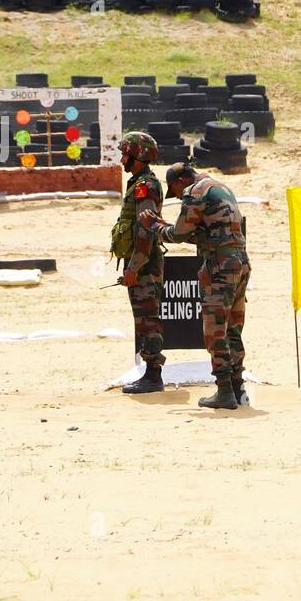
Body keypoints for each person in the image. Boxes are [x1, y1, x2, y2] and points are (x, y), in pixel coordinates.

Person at [143, 158, 250, 409]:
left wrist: (156, 227)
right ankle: (237, 385)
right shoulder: (218, 187)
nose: (179, 198)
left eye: (176, 192)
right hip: (240, 263)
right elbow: (208, 232)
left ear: (181, 181)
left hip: (219, 267)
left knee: (215, 329)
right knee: (233, 326)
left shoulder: (195, 192)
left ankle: (224, 391)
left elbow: (179, 234)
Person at [111, 131, 166, 394]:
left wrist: (134, 267)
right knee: (143, 317)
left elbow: (146, 229)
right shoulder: (138, 183)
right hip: (139, 260)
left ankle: (154, 376)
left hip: (143, 262)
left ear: (138, 156)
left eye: (126, 155)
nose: (122, 160)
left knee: (147, 319)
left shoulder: (146, 185)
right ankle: (151, 373)